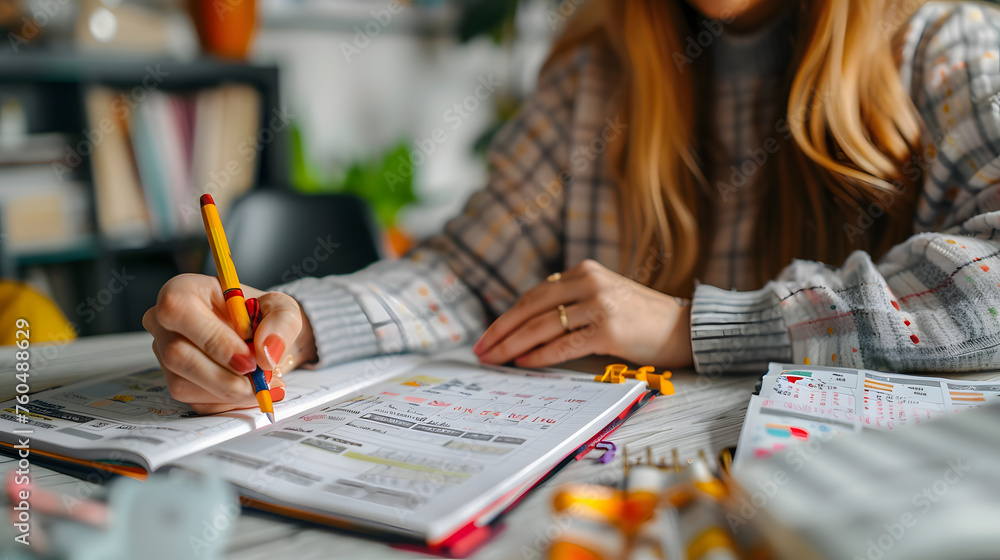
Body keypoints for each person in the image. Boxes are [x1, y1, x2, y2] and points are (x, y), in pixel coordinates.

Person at [143, 0, 1000, 415]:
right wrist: (297, 322)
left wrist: (687, 327)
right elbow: (468, 271)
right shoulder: (597, 74)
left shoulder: (940, 44)